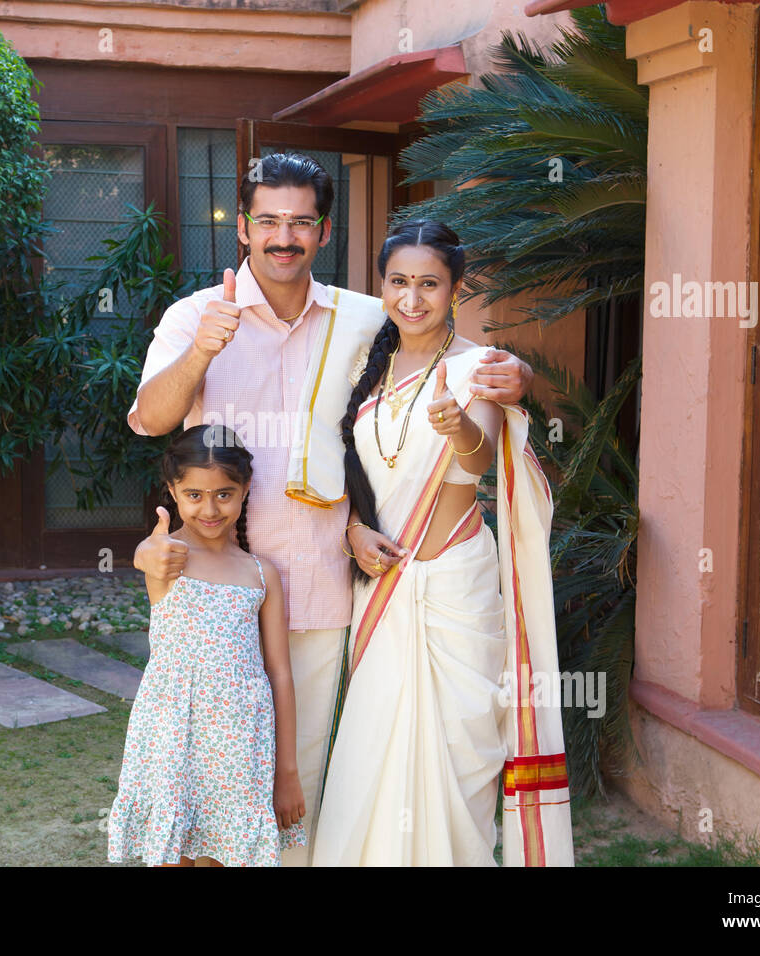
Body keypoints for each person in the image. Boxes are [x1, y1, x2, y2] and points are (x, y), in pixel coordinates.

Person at [127, 152, 536, 865]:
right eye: (269, 221)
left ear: (322, 231)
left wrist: (515, 372)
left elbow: (436, 339)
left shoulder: (362, 317)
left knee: (299, 781)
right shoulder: (195, 315)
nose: (284, 237)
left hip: (318, 584)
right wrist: (201, 352)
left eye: (301, 222)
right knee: (199, 781)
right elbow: (150, 419)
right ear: (244, 228)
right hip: (215, 588)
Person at [311, 220, 574, 866]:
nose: (412, 298)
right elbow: (336, 468)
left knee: (459, 759)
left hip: (456, 591)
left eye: (429, 284)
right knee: (372, 753)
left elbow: (479, 463)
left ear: (455, 287)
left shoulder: (475, 368)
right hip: (383, 591)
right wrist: (349, 530)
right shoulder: (358, 367)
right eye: (398, 282)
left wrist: (457, 427)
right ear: (382, 285)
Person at [107, 424, 306, 867]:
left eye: (224, 494)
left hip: (239, 745)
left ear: (245, 489)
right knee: (171, 854)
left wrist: (287, 771)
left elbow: (280, 673)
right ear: (173, 490)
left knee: (225, 856)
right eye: (194, 495)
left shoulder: (260, 573)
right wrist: (146, 550)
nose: (210, 509)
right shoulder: (168, 557)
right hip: (172, 737)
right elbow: (147, 554)